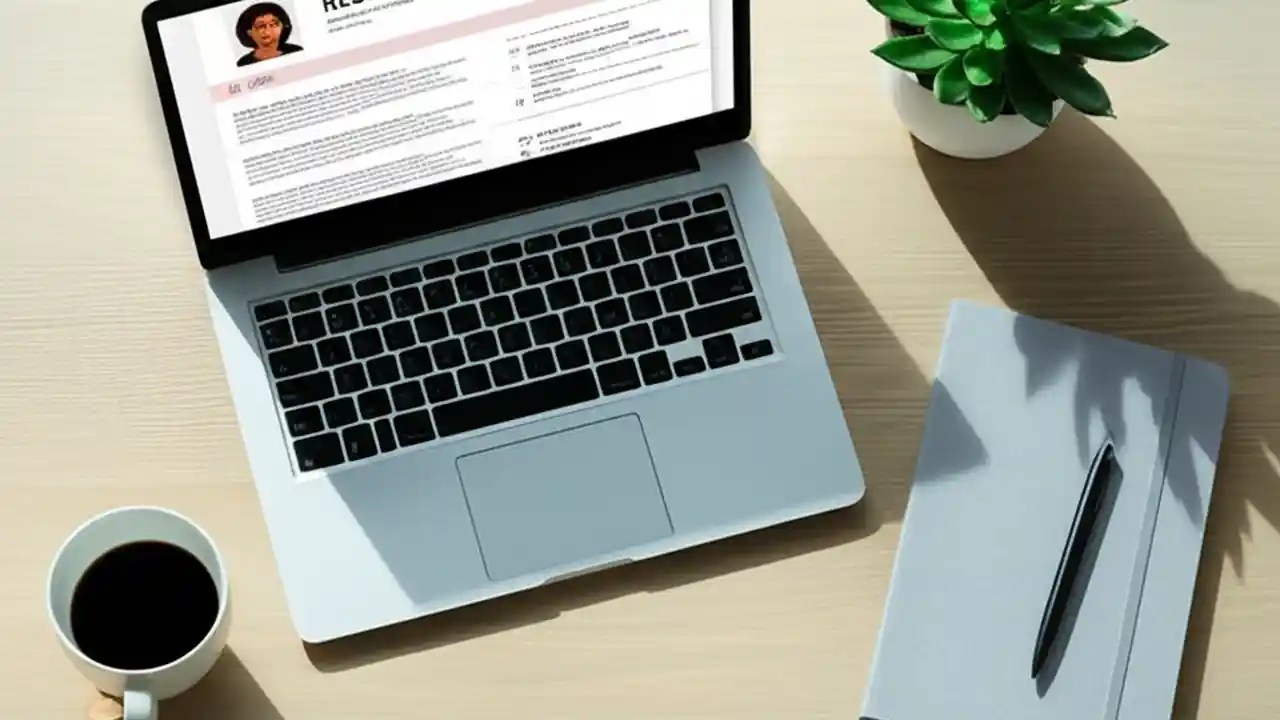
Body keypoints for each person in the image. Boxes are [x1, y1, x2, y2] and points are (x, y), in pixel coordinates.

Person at [235, 3, 303, 67]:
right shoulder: (243, 63)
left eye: (273, 24)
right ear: (249, 32)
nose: (268, 31)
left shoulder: (297, 51)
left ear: (283, 27)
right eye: (261, 26)